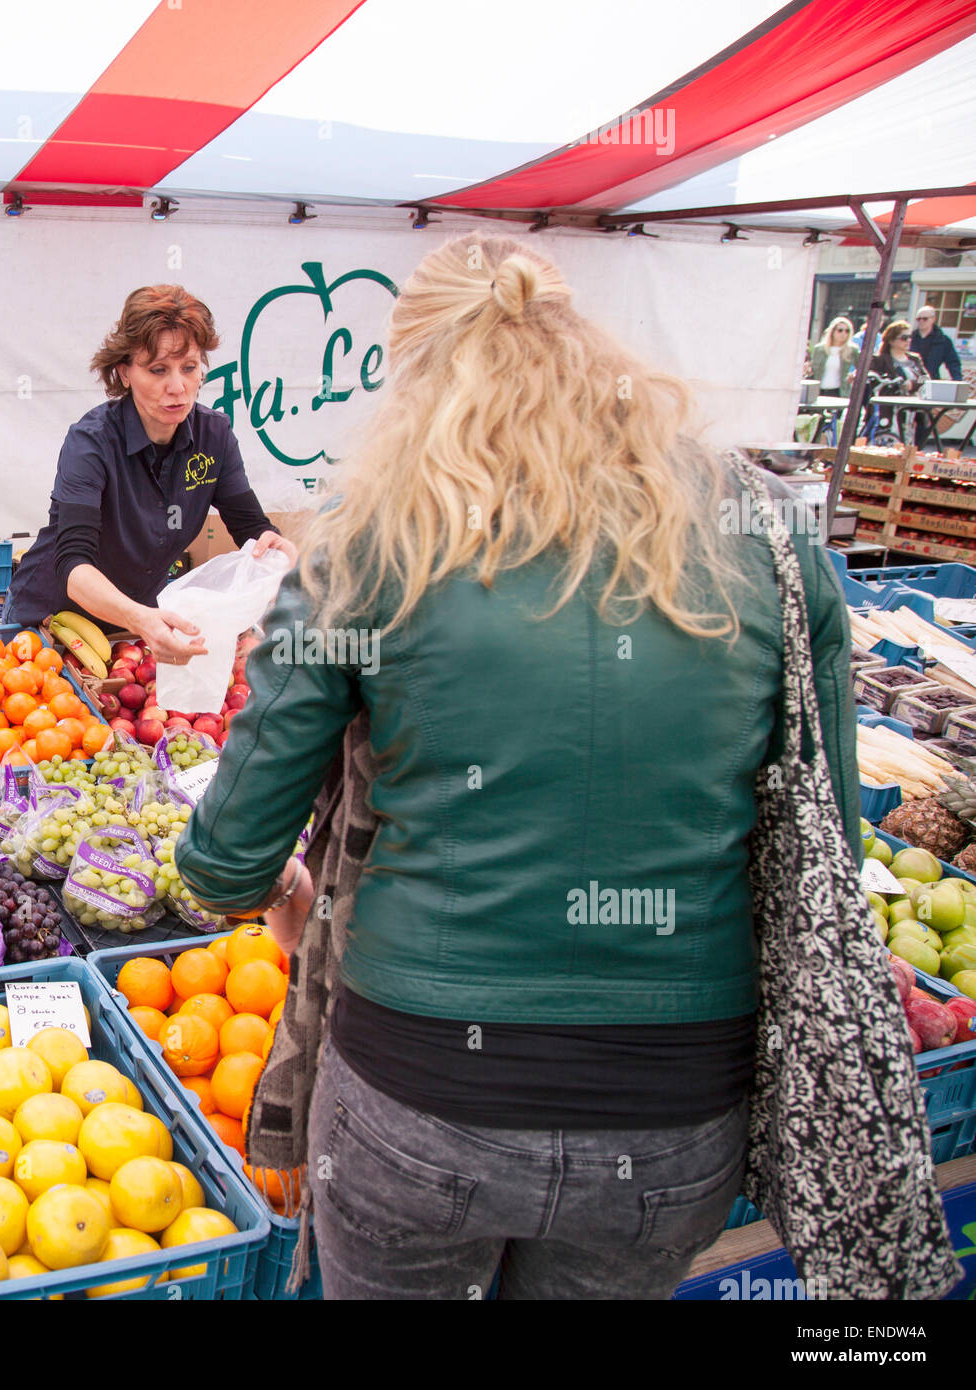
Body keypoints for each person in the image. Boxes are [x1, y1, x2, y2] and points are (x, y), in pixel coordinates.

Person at [174, 234, 858, 1300]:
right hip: (674, 1112)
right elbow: (830, 847)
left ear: (418, 380)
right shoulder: (766, 531)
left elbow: (223, 864)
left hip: (418, 1092)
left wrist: (296, 892)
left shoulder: (370, 541)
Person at [4, 285, 297, 663]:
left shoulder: (215, 436)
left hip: (142, 622)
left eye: (189, 368)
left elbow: (251, 529)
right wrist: (142, 619)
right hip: (49, 618)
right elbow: (73, 563)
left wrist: (274, 548)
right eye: (158, 369)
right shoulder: (90, 442)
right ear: (124, 372)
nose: (177, 388)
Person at [869, 319, 929, 444]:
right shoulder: (880, 359)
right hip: (890, 408)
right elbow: (872, 378)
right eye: (904, 337)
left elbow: (925, 378)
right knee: (891, 439)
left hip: (913, 409)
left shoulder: (914, 359)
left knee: (911, 440)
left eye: (909, 337)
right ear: (891, 340)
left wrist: (913, 384)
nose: (908, 340)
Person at [910, 304, 964, 381]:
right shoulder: (910, 339)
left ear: (933, 319)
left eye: (925, 319)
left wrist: (957, 380)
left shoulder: (943, 340)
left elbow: (953, 363)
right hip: (912, 380)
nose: (921, 321)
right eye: (918, 319)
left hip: (932, 379)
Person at [807, 316, 858, 397]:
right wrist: (808, 370)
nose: (843, 333)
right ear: (832, 331)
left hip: (839, 392)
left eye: (847, 331)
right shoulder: (819, 349)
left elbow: (862, 368)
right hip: (819, 391)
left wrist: (854, 375)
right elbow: (812, 370)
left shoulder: (852, 349)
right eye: (840, 330)